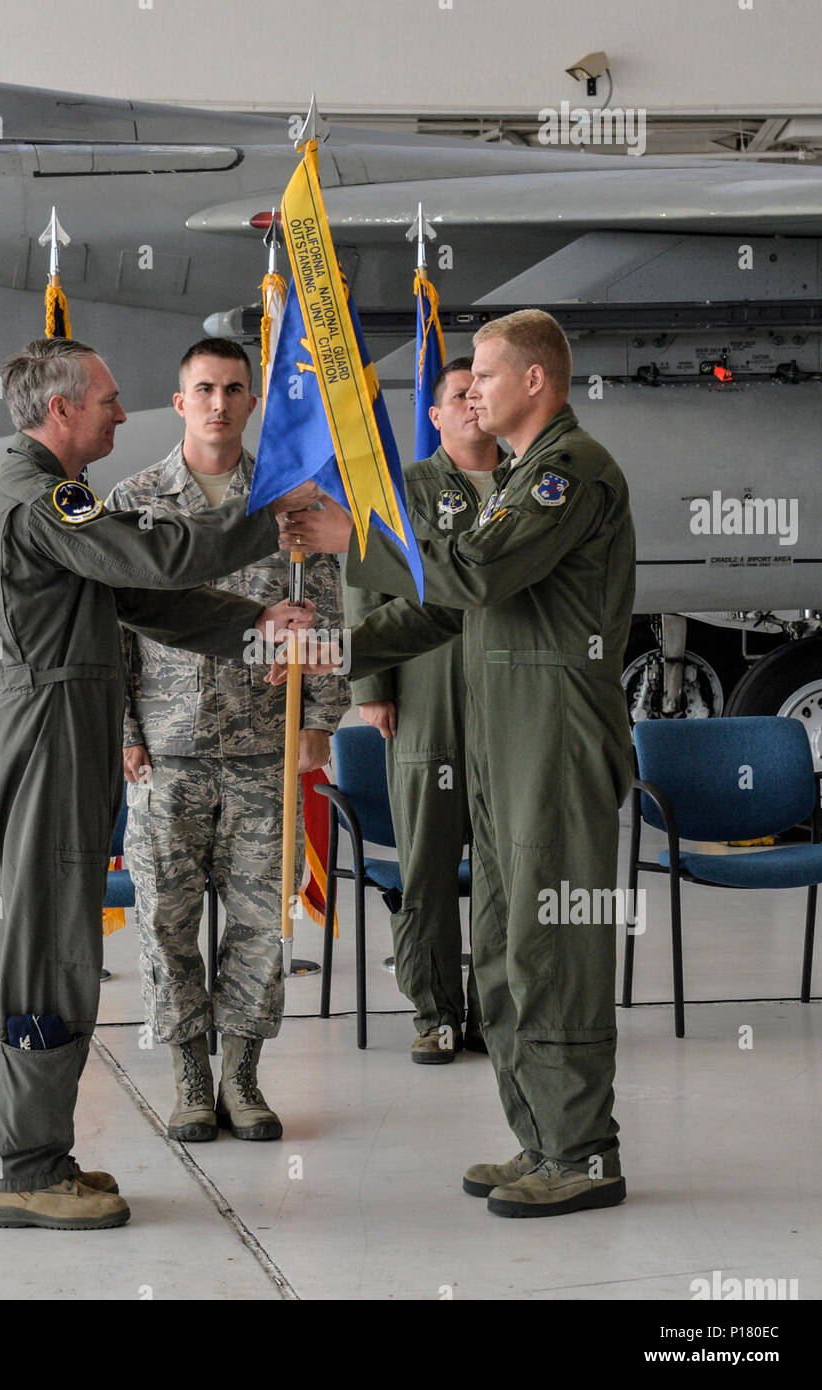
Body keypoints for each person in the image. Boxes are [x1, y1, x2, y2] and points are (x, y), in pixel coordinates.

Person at [274, 310, 635, 1218]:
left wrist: (355, 538)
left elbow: (470, 576)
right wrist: (336, 649)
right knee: (506, 946)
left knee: (552, 946)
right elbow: (447, 609)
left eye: (484, 377)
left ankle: (583, 1154)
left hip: (552, 739)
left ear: (534, 382)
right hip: (504, 738)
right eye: (466, 382)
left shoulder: (565, 471)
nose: (470, 393)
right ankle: (542, 1137)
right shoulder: (516, 475)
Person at [0, 337, 317, 1230]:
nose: (123, 414)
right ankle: (19, 1167)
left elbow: (145, 599)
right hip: (48, 738)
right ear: (60, 411)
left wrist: (255, 624)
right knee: (47, 952)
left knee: (60, 943)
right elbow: (152, 560)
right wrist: (266, 517)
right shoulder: (41, 497)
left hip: (63, 735)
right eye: (109, 400)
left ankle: (40, 1152)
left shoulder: (54, 497)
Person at [105, 338, 347, 1144]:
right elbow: (113, 629)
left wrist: (318, 721)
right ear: (180, 402)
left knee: (259, 923)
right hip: (167, 750)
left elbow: (326, 618)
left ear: (250, 402)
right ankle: (188, 1078)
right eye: (203, 388)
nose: (217, 402)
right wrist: (124, 732)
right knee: (164, 923)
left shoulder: (291, 504)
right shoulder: (136, 500)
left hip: (261, 749)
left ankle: (241, 1078)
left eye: (233, 388)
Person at [345, 357, 504, 1065]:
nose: (473, 404)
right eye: (459, 395)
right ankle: (434, 1013)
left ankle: (495, 1013)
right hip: (424, 694)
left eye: (481, 393)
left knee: (504, 869)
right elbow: (365, 585)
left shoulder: (524, 485)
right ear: (435, 415)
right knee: (426, 867)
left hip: (508, 701)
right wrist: (371, 688)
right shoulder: (405, 490)